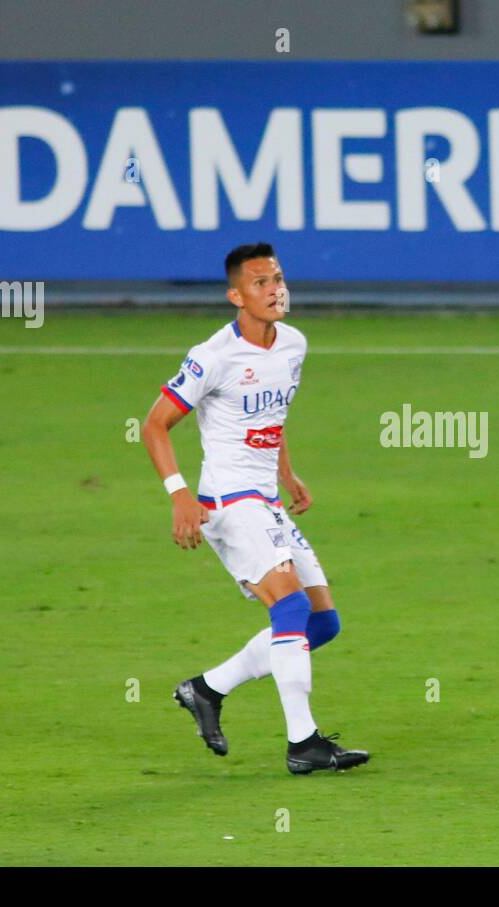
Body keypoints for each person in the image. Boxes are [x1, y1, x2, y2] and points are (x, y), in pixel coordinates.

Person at [142, 242, 370, 773]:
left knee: (323, 622)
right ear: (236, 296)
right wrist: (179, 494)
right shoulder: (213, 356)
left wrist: (286, 472)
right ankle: (303, 744)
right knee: (289, 609)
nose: (275, 290)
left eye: (278, 278)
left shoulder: (293, 344)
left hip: (266, 500)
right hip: (227, 501)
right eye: (261, 283)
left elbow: (272, 418)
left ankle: (206, 688)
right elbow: (154, 424)